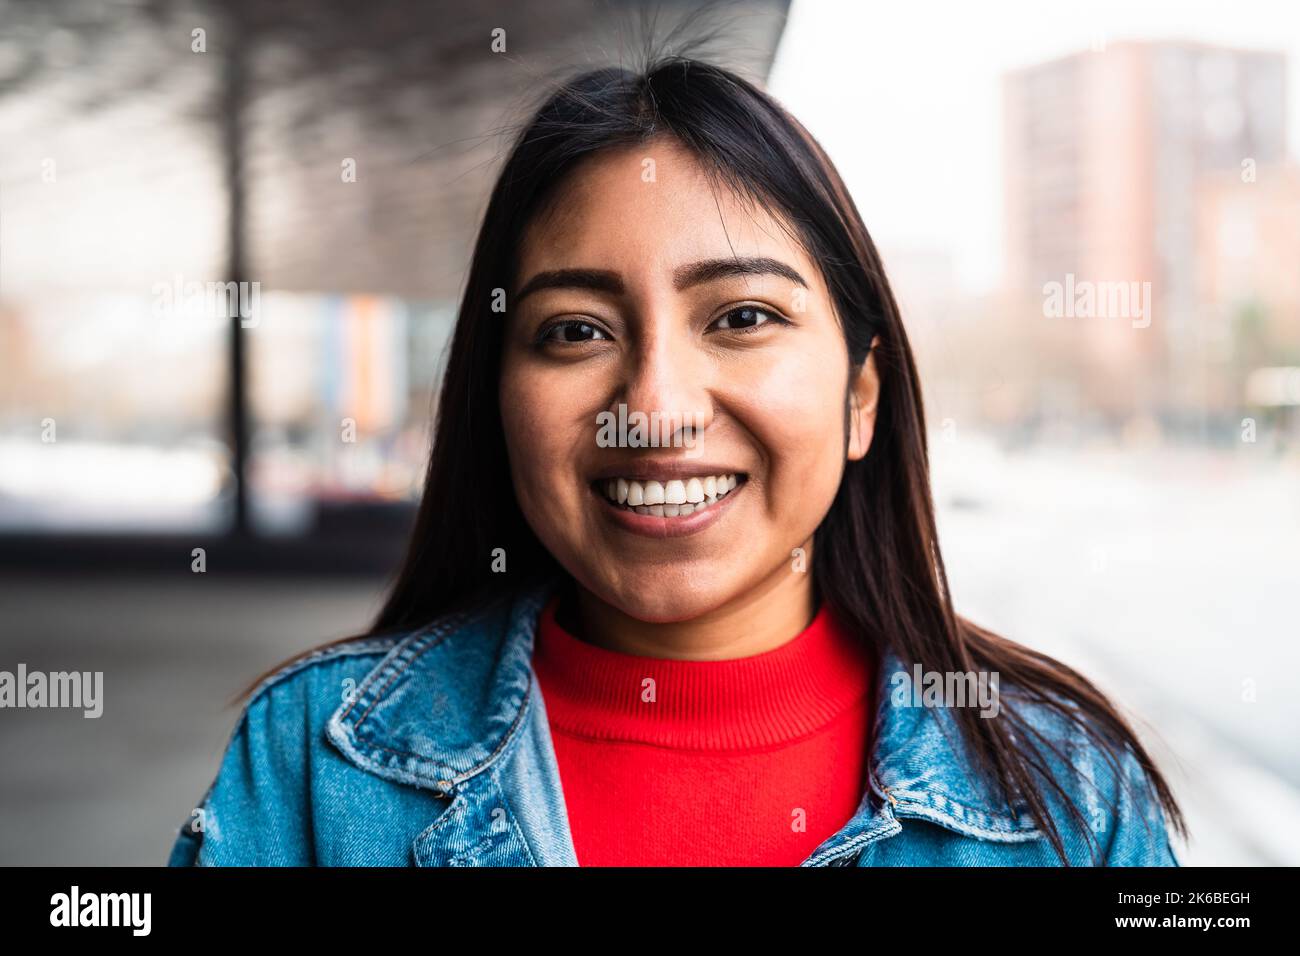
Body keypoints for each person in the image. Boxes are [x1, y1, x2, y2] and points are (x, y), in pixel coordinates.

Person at [169, 55, 1185, 867]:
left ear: (860, 397)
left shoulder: (1068, 797)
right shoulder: (314, 759)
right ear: (497, 393)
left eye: (741, 316)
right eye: (574, 332)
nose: (652, 409)